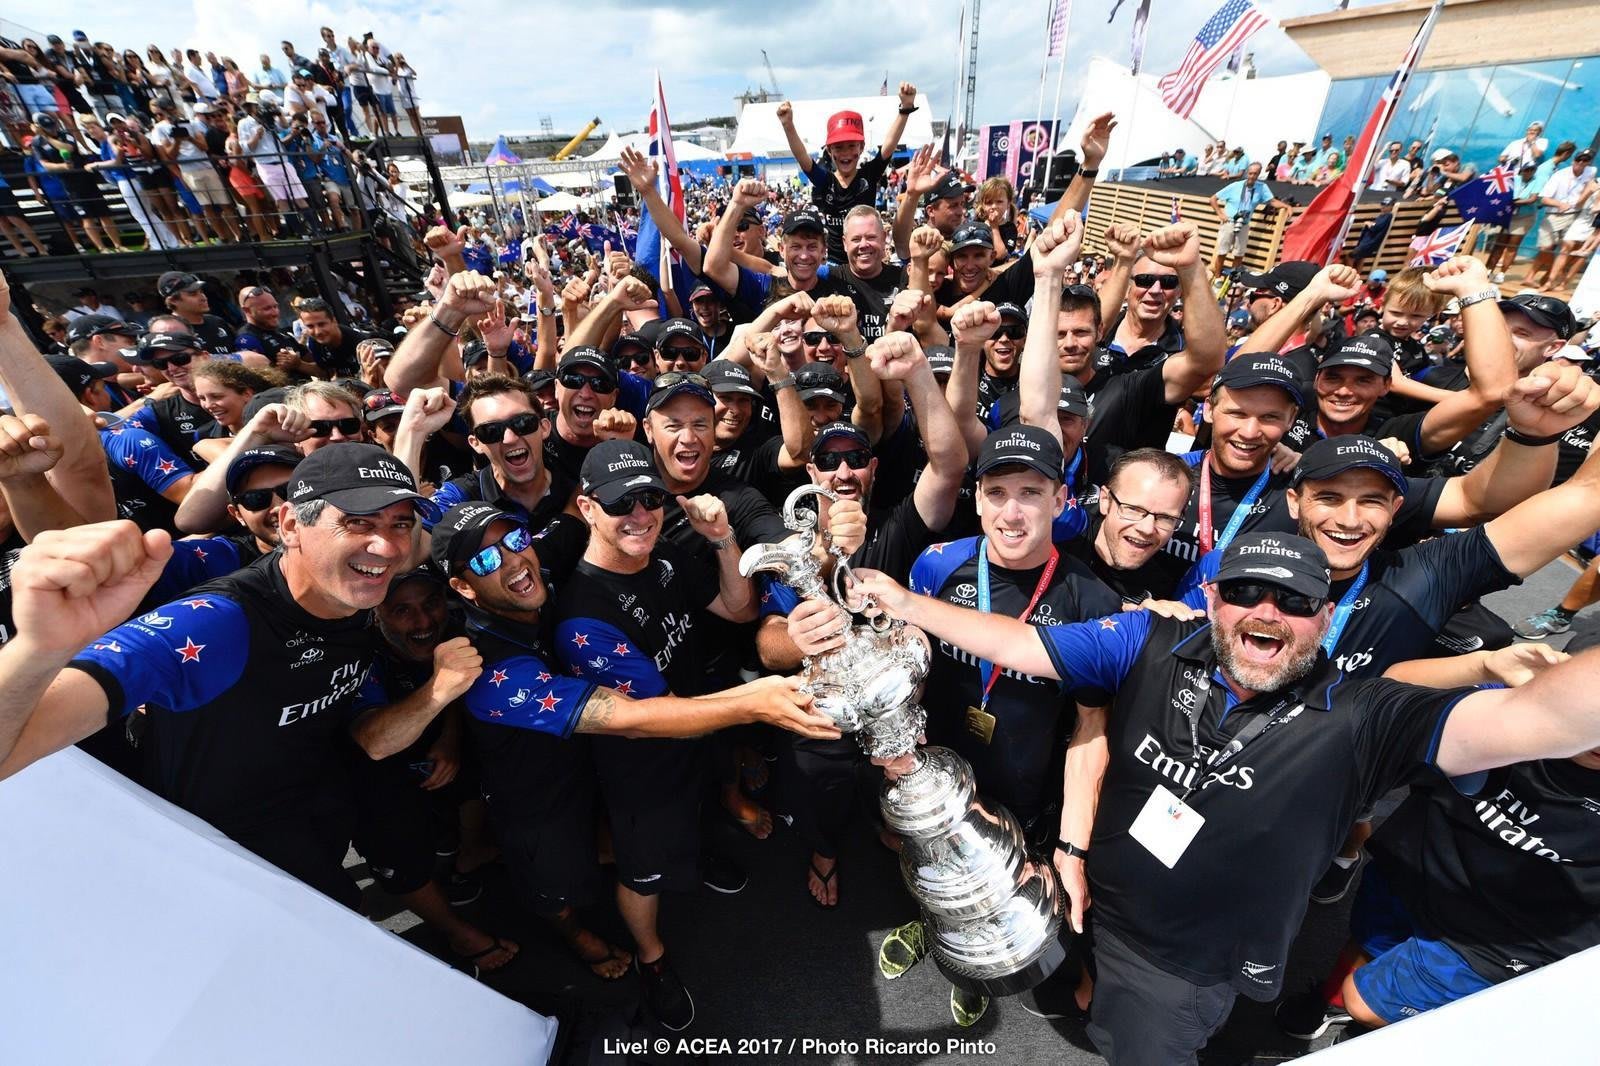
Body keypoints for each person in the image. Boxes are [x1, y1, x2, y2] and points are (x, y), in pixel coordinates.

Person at [852, 529, 1600, 1065]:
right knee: (1088, 991)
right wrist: (900, 601)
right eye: (1243, 591)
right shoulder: (1149, 641)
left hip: (1183, 965)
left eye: (1294, 598)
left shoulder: (1365, 717)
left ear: (1328, 616)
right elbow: (1019, 645)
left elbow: (1540, 718)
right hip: (1095, 896)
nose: (1264, 613)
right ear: (1211, 599)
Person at [0, 445, 447, 912]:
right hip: (231, 848)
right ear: (291, 525)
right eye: (359, 522)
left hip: (318, 802)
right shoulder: (216, 624)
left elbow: (419, 546)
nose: (389, 546)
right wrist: (38, 650)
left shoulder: (357, 584)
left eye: (400, 522)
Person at [775, 83, 916, 262]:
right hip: (835, 266)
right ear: (829, 151)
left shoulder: (868, 176)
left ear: (862, 147)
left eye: (852, 146)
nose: (846, 153)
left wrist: (905, 109)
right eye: (839, 147)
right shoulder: (825, 181)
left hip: (866, 260)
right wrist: (787, 124)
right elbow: (803, 158)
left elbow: (888, 146)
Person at [1208, 162, 1290, 276]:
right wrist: (1221, 214)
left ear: (1259, 174)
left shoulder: (1262, 187)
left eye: (1255, 174)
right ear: (1247, 173)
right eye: (1250, 173)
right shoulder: (1235, 186)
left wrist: (1286, 206)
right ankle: (1217, 276)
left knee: (1239, 253)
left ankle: (1233, 279)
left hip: (1244, 223)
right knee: (1222, 251)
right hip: (1230, 222)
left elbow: (1272, 201)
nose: (1252, 176)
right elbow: (1212, 199)